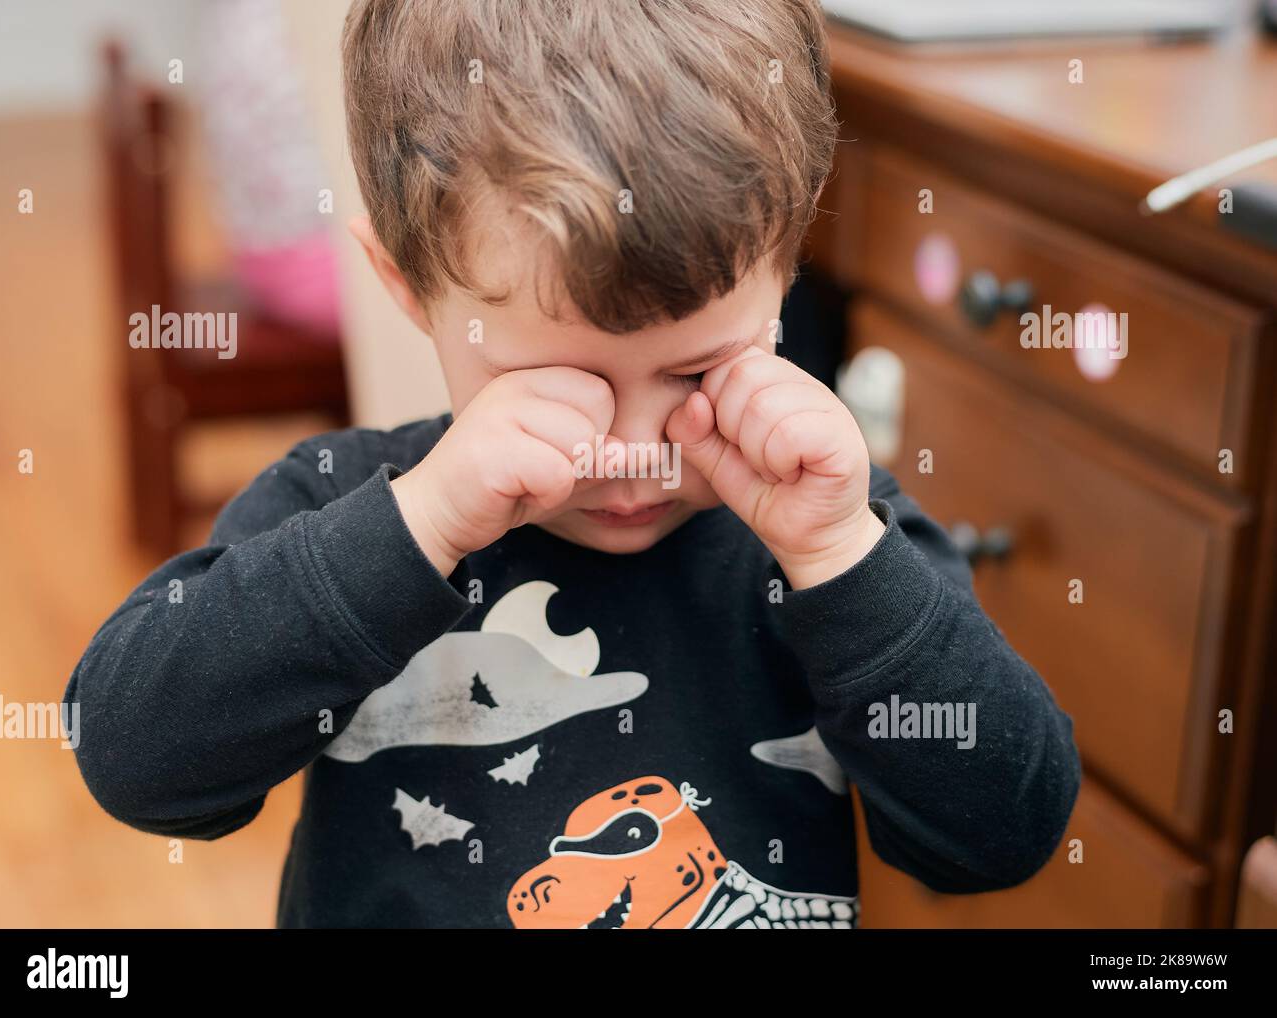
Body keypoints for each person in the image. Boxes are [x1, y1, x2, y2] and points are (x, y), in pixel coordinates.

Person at [65, 0, 1080, 929]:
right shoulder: (348, 511)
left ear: (785, 271)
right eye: (557, 381)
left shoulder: (829, 539)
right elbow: (135, 760)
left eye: (694, 371)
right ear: (407, 283)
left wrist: (842, 556)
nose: (628, 451)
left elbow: (1001, 832)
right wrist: (422, 526)